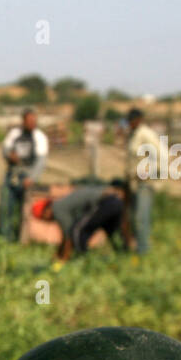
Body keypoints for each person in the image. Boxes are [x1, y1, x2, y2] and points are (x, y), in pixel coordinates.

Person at [0, 108, 49, 242]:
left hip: (28, 177)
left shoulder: (40, 137)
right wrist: (9, 155)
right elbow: (5, 149)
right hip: (12, 175)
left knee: (26, 211)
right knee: (5, 206)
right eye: (29, 120)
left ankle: (22, 238)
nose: (32, 123)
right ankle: (5, 237)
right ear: (23, 121)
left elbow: (41, 162)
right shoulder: (14, 133)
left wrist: (32, 178)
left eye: (34, 120)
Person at [43, 183, 126, 260]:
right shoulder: (63, 204)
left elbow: (69, 235)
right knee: (114, 233)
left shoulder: (57, 209)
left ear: (47, 210)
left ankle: (83, 260)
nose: (45, 220)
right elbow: (65, 237)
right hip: (116, 201)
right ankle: (124, 256)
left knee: (77, 231)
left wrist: (63, 257)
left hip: (104, 202)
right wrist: (59, 252)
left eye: (42, 216)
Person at [123, 107, 165, 254]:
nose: (129, 124)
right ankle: (137, 247)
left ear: (138, 120)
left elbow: (163, 156)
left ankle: (143, 251)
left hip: (145, 183)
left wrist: (147, 171)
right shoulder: (133, 135)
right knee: (135, 217)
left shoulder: (146, 134)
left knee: (141, 217)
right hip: (134, 183)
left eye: (131, 121)